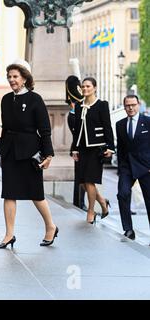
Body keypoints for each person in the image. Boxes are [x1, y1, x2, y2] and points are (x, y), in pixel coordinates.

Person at [0, 59, 58, 249]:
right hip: (10, 152)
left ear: (24, 79)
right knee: (9, 194)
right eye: (9, 77)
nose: (11, 80)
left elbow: (45, 130)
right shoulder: (6, 99)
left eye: (15, 76)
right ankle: (8, 235)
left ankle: (50, 226)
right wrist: (2, 153)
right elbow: (5, 128)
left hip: (30, 153)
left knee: (36, 194)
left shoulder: (35, 99)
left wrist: (48, 156)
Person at [70, 77, 114, 224]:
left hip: (97, 148)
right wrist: (74, 149)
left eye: (88, 86)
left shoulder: (102, 105)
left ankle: (91, 211)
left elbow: (107, 126)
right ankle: (102, 202)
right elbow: (76, 131)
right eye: (83, 86)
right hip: (82, 149)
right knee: (82, 181)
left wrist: (110, 147)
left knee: (89, 180)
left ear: (95, 88)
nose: (85, 89)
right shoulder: (78, 106)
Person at [116, 95, 150, 240]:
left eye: (133, 105)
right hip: (127, 167)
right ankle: (128, 229)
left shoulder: (147, 122)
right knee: (122, 194)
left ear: (138, 105)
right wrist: (120, 168)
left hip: (145, 167)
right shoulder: (120, 124)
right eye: (127, 105)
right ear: (124, 107)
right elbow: (121, 149)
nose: (130, 108)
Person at [65, 75, 87, 211]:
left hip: (85, 148)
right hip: (79, 148)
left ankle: (81, 202)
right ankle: (79, 202)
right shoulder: (73, 115)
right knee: (81, 177)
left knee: (84, 177)